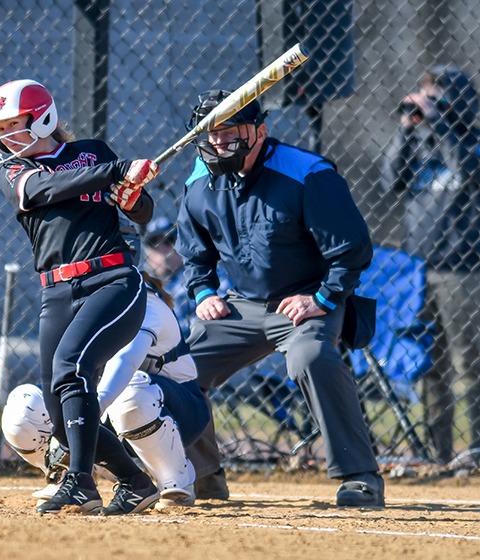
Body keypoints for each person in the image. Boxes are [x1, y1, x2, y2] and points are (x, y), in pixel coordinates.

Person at [176, 91, 385, 507]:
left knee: (310, 357)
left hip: (307, 298)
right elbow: (194, 250)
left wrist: (323, 298)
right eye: (211, 134)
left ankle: (361, 476)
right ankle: (202, 478)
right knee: (178, 369)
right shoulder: (201, 178)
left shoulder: (307, 172)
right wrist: (202, 292)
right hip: (243, 304)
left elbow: (352, 247)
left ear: (260, 131)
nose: (219, 143)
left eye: (231, 132)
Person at [0, 78, 162, 515]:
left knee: (72, 367)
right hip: (56, 292)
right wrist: (115, 172)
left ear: (43, 119)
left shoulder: (93, 152)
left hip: (112, 281)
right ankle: (136, 483)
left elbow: (143, 211)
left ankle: (80, 483)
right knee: (60, 413)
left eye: (11, 125)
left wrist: (131, 194)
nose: (3, 137)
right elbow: (42, 191)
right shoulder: (15, 172)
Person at [3, 271, 210, 510]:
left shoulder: (143, 300)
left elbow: (125, 361)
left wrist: (84, 422)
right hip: (108, 416)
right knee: (25, 405)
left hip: (177, 410)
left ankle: (174, 480)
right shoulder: (77, 298)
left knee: (132, 391)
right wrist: (68, 423)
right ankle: (65, 474)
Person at [380, 65, 480, 463]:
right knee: (433, 364)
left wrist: (441, 125)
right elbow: (391, 180)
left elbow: (471, 174)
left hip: (463, 268)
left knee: (470, 360)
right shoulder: (419, 141)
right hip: (420, 267)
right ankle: (438, 452)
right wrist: (405, 128)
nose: (430, 104)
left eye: (438, 97)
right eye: (426, 95)